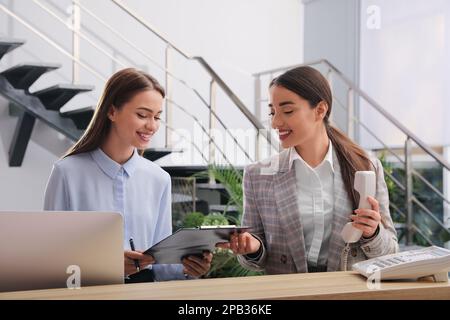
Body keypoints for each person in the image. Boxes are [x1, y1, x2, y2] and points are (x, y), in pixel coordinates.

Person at [217, 66, 398, 274]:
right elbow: (252, 260)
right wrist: (252, 248)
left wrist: (373, 233)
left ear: (320, 110)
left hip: (347, 293)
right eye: (272, 112)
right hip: (288, 294)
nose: (275, 122)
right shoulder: (257, 176)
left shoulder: (366, 167)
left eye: (287, 111)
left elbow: (391, 251)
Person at [44, 68, 212, 282]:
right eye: (142, 115)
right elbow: (49, 255)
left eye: (157, 117)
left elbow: (162, 265)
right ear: (112, 112)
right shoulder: (67, 172)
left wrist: (189, 268)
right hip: (86, 292)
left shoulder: (159, 178)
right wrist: (107, 263)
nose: (151, 126)